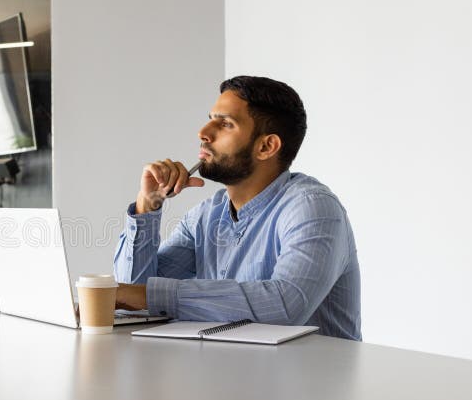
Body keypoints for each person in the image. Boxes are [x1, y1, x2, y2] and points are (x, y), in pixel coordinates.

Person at [113, 76, 361, 340]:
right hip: (231, 375)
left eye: (225, 124)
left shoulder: (313, 207)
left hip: (312, 380)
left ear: (266, 146)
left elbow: (285, 307)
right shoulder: (206, 214)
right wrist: (147, 206)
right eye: (210, 118)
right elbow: (133, 293)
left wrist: (145, 295)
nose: (203, 133)